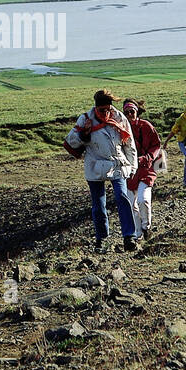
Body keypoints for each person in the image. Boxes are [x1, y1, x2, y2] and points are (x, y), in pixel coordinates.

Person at [65, 88, 139, 252]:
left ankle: (129, 237)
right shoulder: (85, 119)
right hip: (95, 165)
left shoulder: (119, 118)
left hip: (117, 163)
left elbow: (129, 144)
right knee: (99, 205)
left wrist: (133, 166)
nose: (105, 113)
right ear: (95, 107)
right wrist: (84, 135)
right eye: (101, 110)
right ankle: (102, 240)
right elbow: (71, 141)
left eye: (108, 109)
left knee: (122, 197)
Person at [123, 98, 163, 239]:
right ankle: (138, 234)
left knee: (143, 199)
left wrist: (148, 158)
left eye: (131, 111)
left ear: (137, 112)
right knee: (130, 204)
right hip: (128, 171)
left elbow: (156, 145)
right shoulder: (121, 129)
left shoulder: (146, 126)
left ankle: (146, 227)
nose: (129, 114)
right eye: (126, 112)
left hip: (146, 168)